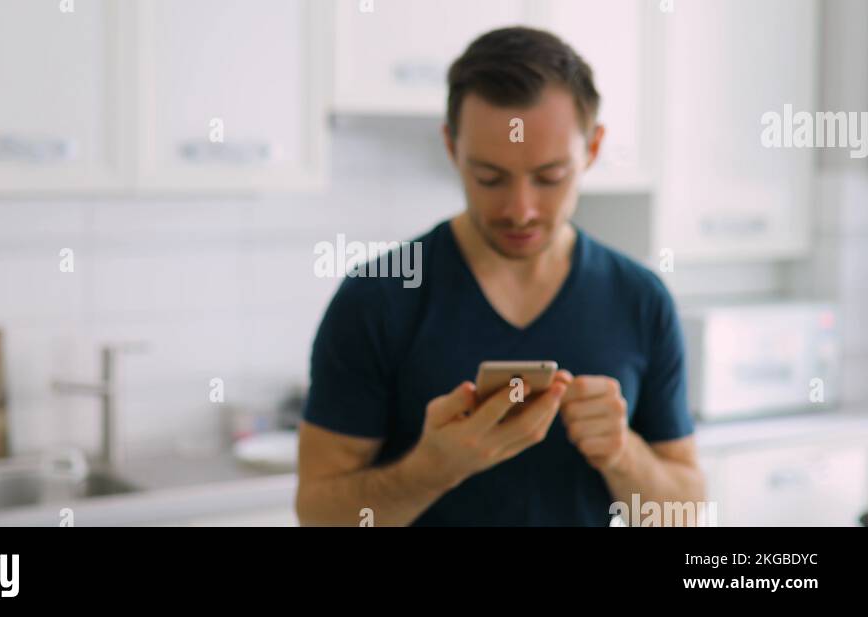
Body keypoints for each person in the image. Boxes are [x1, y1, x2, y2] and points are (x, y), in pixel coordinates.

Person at [296, 27, 704, 526]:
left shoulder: (640, 299)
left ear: (593, 149)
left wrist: (623, 454)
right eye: (489, 177)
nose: (520, 210)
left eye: (550, 177)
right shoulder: (377, 298)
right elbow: (319, 517)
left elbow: (682, 516)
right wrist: (432, 470)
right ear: (451, 147)